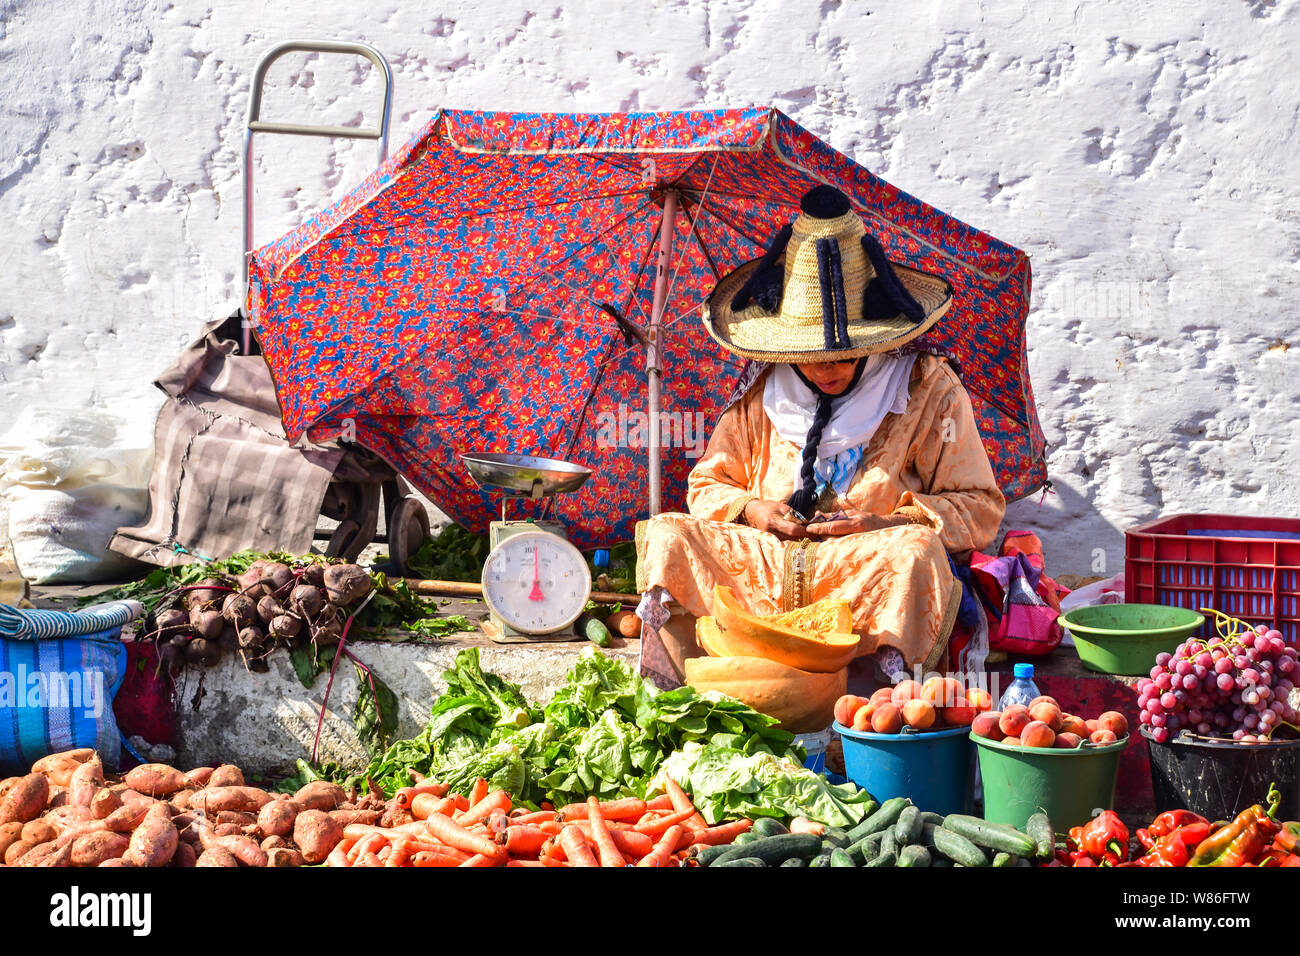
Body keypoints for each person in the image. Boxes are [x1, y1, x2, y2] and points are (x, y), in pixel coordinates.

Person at [635, 185, 1005, 689]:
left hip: (861, 572)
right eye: (809, 357)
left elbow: (980, 507)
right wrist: (752, 510)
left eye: (841, 356)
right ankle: (687, 698)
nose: (825, 370)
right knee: (669, 532)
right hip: (761, 572)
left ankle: (882, 710)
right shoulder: (762, 388)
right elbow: (706, 488)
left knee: (914, 551)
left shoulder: (926, 388)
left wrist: (882, 522)